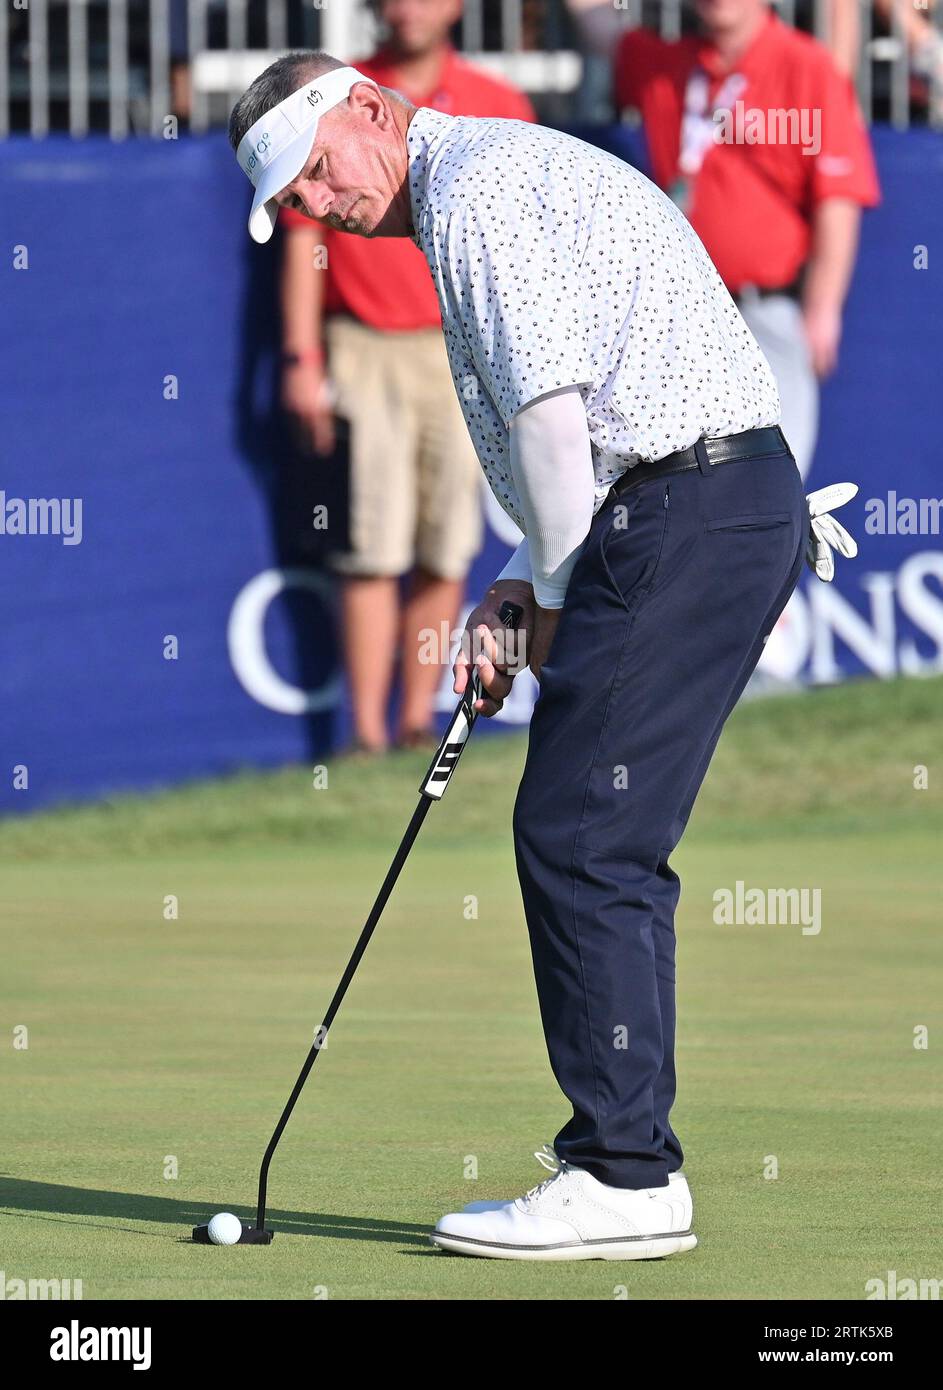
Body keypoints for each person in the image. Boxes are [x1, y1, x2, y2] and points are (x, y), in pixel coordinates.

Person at [229, 53, 857, 1261]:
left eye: (315, 173)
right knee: (591, 829)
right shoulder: (481, 183)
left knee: (582, 832)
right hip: (694, 504)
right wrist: (526, 584)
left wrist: (549, 603)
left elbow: (557, 424)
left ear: (370, 106)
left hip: (691, 508)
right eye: (294, 201)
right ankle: (627, 1166)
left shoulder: (475, 193)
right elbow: (568, 441)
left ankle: (623, 1176)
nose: (317, 205)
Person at [279, 0, 535, 755]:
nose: (406, 7)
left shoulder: (496, 102)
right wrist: (303, 356)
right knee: (370, 547)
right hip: (365, 343)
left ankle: (415, 722)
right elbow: (302, 239)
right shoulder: (340, 102)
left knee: (443, 545)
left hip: (458, 345)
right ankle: (362, 736)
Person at [567, 0, 879, 482]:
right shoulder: (669, 66)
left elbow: (837, 198)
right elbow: (597, 23)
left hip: (764, 313)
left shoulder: (806, 66)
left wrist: (824, 306)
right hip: (677, 317)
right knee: (686, 489)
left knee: (770, 484)